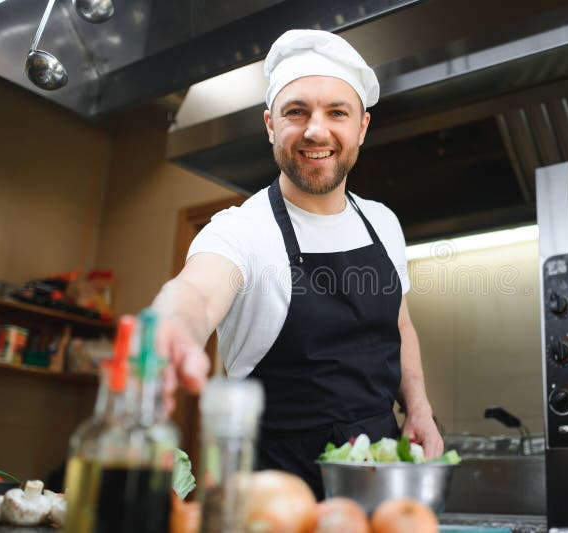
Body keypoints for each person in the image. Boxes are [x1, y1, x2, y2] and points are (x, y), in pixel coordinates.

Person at [152, 29, 443, 498]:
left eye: (337, 113)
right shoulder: (240, 230)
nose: (315, 130)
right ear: (270, 125)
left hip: (377, 488)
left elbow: (401, 326)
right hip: (272, 498)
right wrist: (172, 325)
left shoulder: (383, 223)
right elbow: (197, 293)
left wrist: (419, 408)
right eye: (296, 111)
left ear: (362, 128)